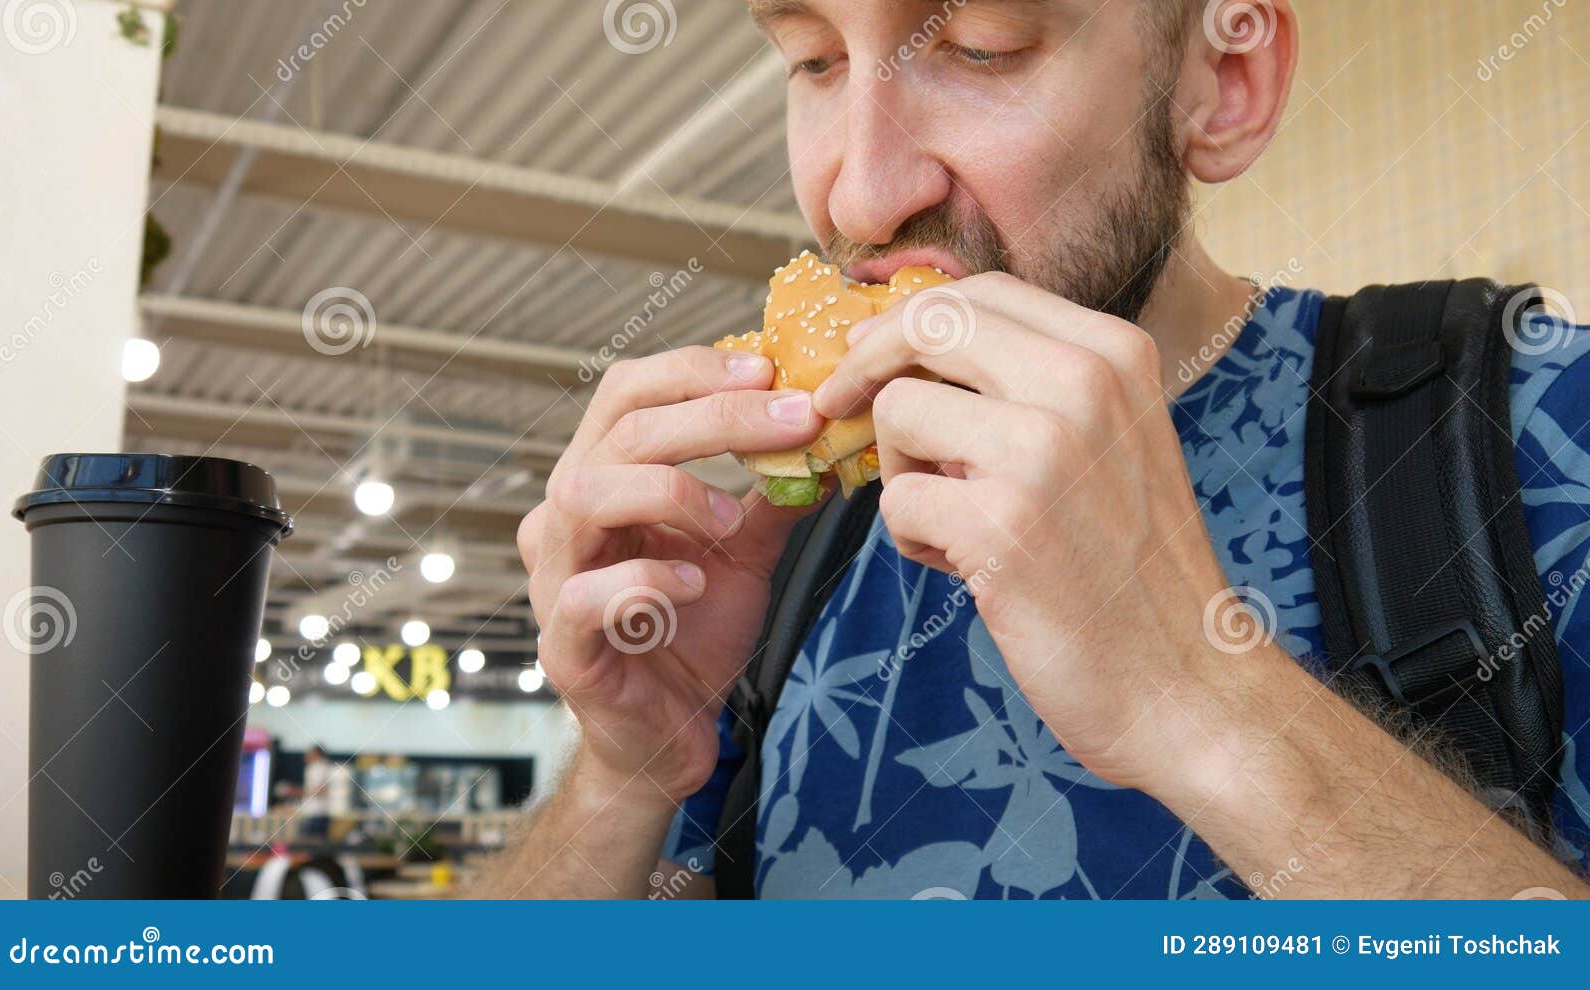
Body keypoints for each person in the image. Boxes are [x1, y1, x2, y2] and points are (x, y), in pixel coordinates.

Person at [482, 0, 1590, 898]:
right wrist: (625, 780)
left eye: (981, 46)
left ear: (1222, 86)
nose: (858, 195)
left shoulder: (1539, 430)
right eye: (813, 60)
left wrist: (1204, 698)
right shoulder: (776, 560)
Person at [297, 746, 334, 842]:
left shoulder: (320, 768)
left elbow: (321, 791)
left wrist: (295, 791)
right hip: (312, 812)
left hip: (317, 812)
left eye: (309, 753)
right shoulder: (313, 767)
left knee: (313, 843)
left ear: (316, 754)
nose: (305, 755)